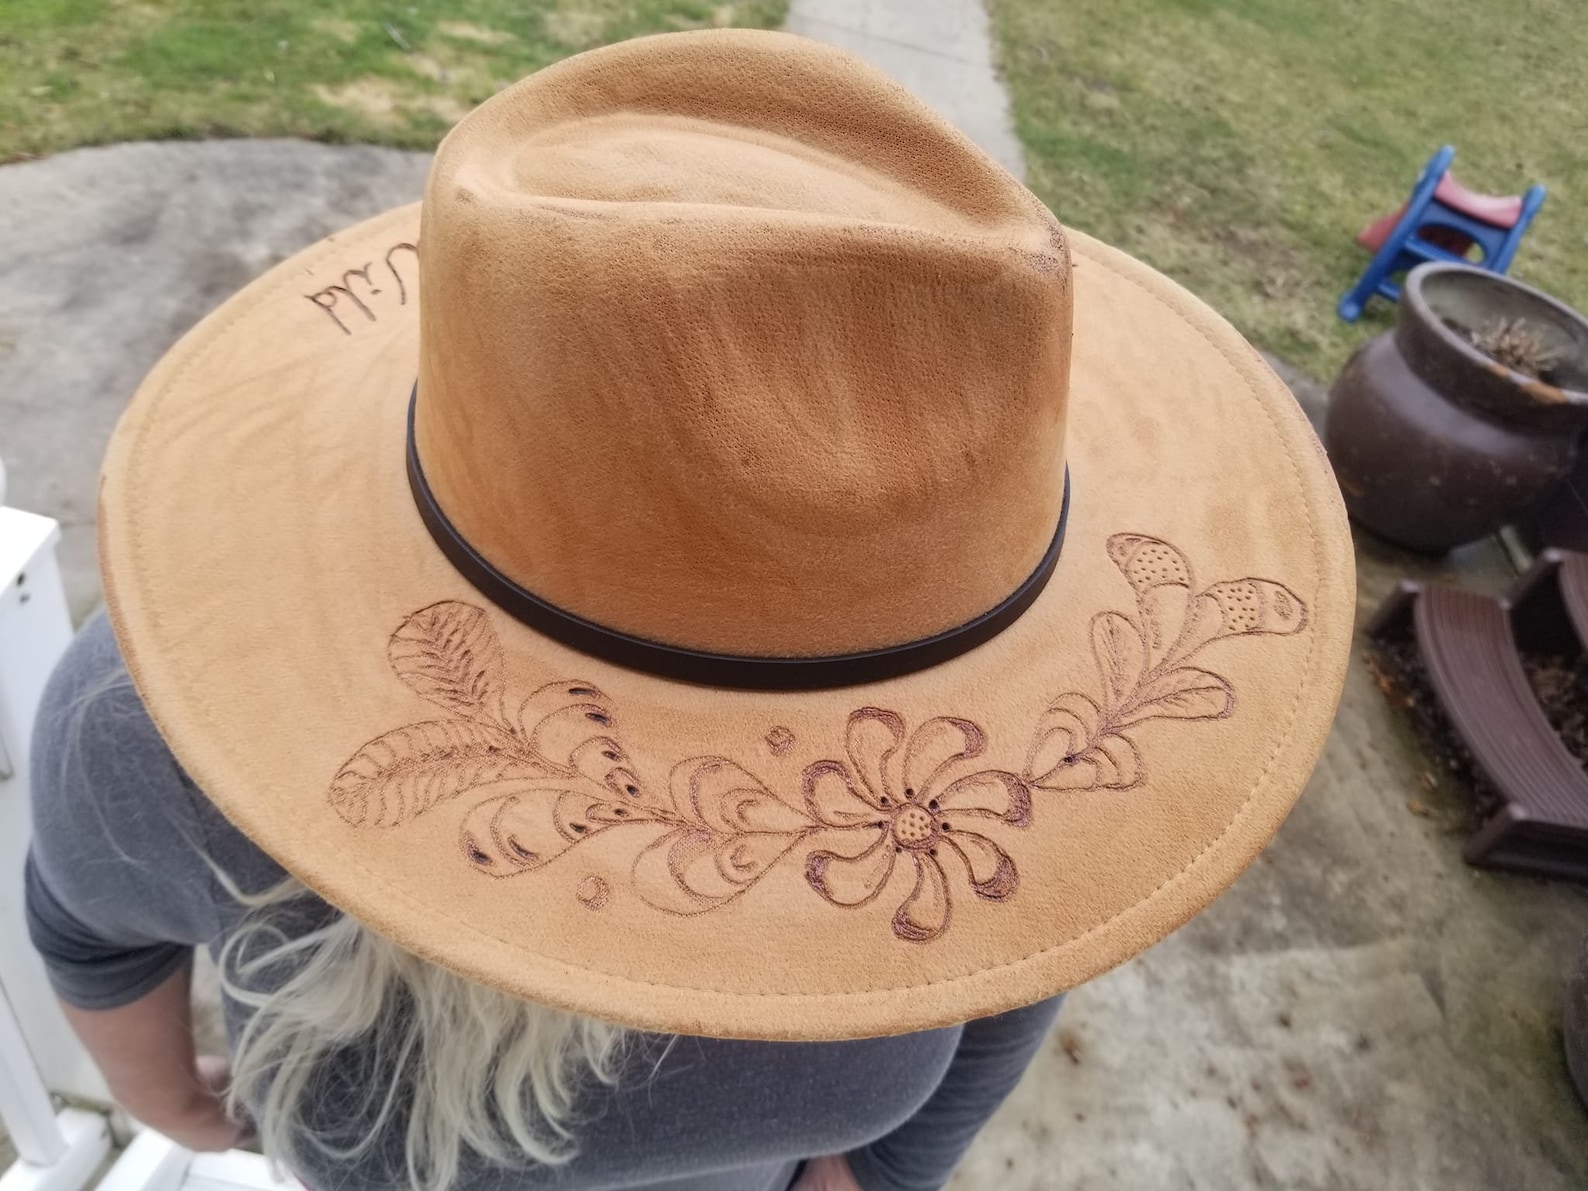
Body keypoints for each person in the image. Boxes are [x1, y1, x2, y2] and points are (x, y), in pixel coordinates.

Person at [26, 27, 1351, 1191]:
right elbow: (85, 920)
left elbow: (1035, 935)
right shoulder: (160, 726)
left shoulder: (997, 804)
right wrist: (172, 1101)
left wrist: (887, 1175)